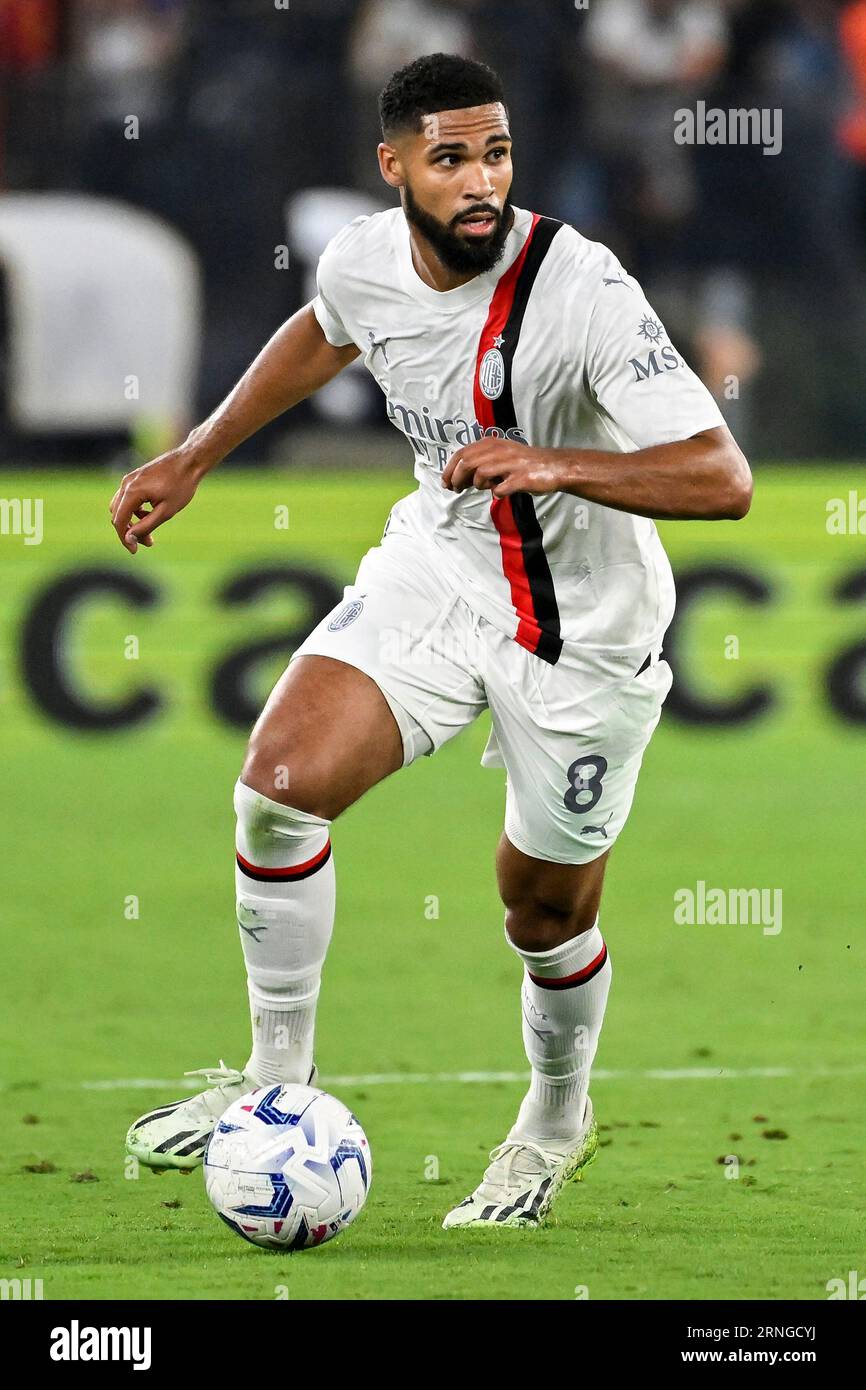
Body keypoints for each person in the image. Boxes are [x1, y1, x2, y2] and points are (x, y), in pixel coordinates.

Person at [113, 53, 751, 1230]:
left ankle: (552, 1125)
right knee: (277, 786)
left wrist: (555, 460)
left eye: (494, 153)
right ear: (393, 165)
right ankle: (273, 1082)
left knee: (540, 912)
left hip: (580, 630)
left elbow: (722, 479)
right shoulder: (362, 256)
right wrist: (195, 451)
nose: (479, 183)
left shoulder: (582, 287)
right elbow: (325, 329)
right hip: (440, 569)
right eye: (450, 158)